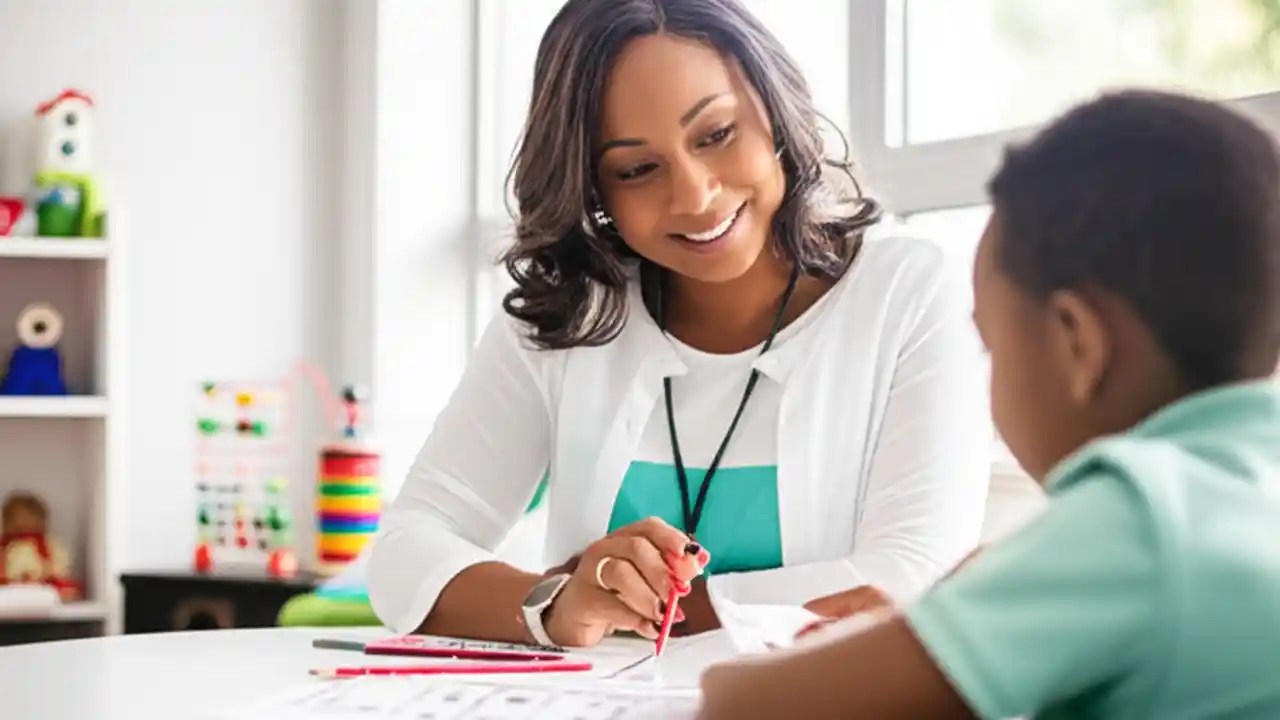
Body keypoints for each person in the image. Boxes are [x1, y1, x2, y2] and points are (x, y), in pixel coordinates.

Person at [367, 0, 990, 649]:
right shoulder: (570, 313)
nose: (694, 196)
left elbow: (905, 579)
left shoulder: (908, 288)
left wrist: (624, 607)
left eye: (716, 134)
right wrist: (557, 603)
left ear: (776, 111)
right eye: (636, 170)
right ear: (594, 190)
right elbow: (406, 554)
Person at [696, 89, 1280, 718]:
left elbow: (747, 705)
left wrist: (908, 635)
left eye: (991, 346)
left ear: (1076, 342)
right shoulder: (1250, 493)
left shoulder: (1135, 521)